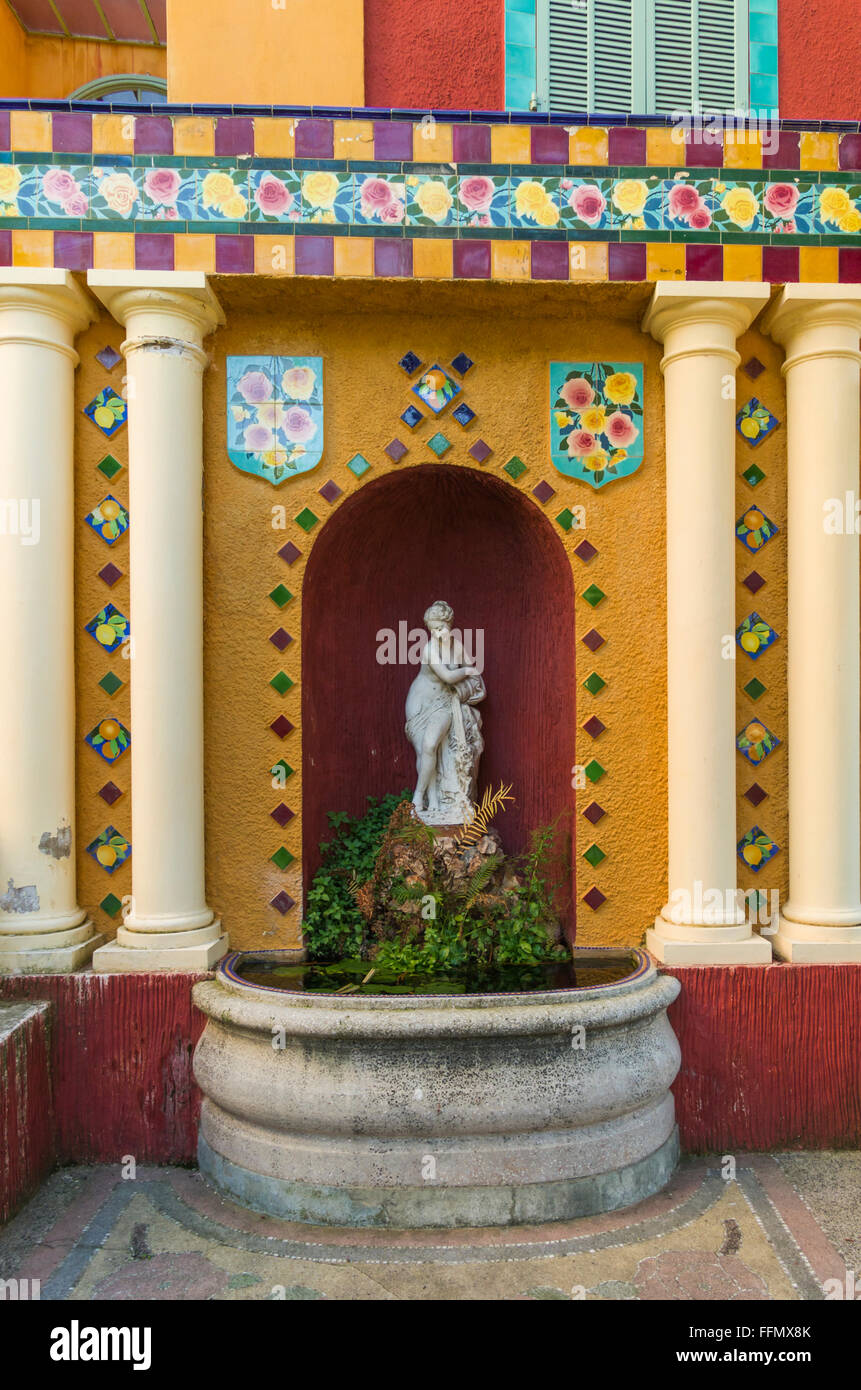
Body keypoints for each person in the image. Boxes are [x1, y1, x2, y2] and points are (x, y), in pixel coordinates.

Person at [405, 601, 485, 825]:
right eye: (432, 629)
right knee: (425, 753)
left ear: (449, 625)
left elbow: (475, 682)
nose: (437, 633)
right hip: (420, 704)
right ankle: (432, 801)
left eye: (440, 628)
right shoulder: (429, 649)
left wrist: (469, 674)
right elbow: (449, 677)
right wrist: (468, 669)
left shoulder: (457, 648)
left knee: (431, 746)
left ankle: (416, 800)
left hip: (444, 702)